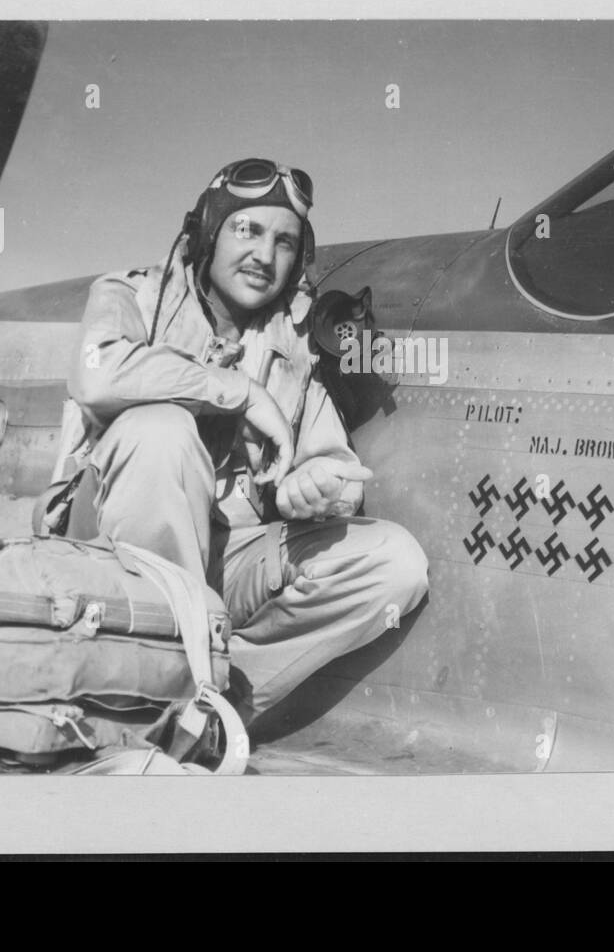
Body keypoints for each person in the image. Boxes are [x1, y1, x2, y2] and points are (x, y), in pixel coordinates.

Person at [63, 158, 429, 728]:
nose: (265, 255)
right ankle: (136, 687)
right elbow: (97, 374)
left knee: (393, 564)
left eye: (285, 241)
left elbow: (329, 461)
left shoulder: (295, 341)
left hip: (223, 555)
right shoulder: (131, 294)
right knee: (161, 432)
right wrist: (238, 392)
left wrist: (313, 490)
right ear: (210, 231)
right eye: (247, 230)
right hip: (104, 553)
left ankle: (206, 708)